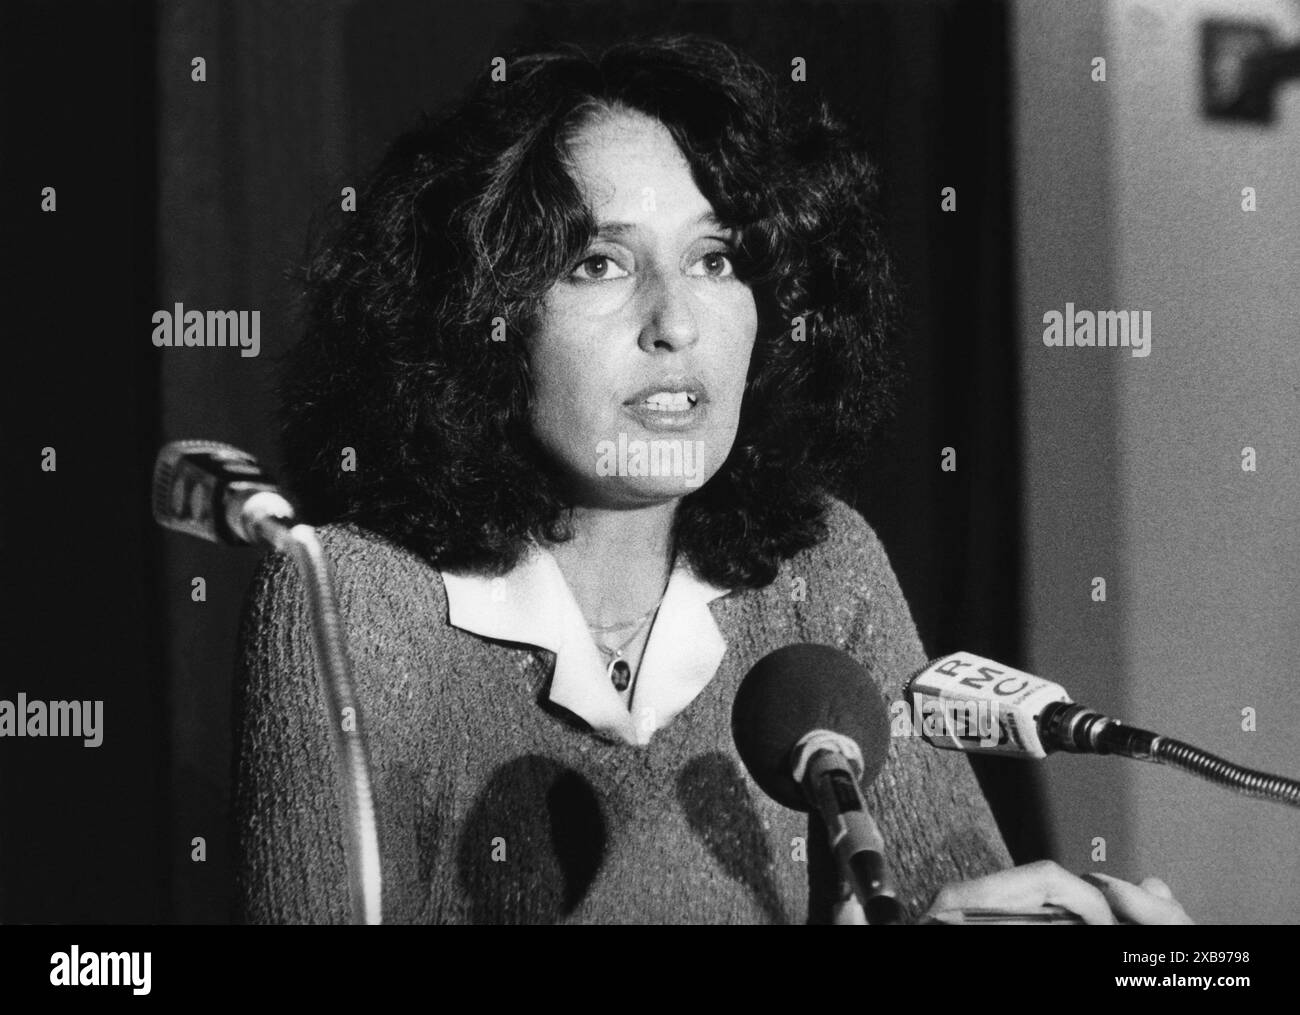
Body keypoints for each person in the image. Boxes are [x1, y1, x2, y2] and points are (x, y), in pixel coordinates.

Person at [233, 34, 1190, 925]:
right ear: (482, 315)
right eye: (599, 263)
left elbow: (949, 890)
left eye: (716, 258)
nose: (675, 323)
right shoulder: (344, 601)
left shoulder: (825, 567)